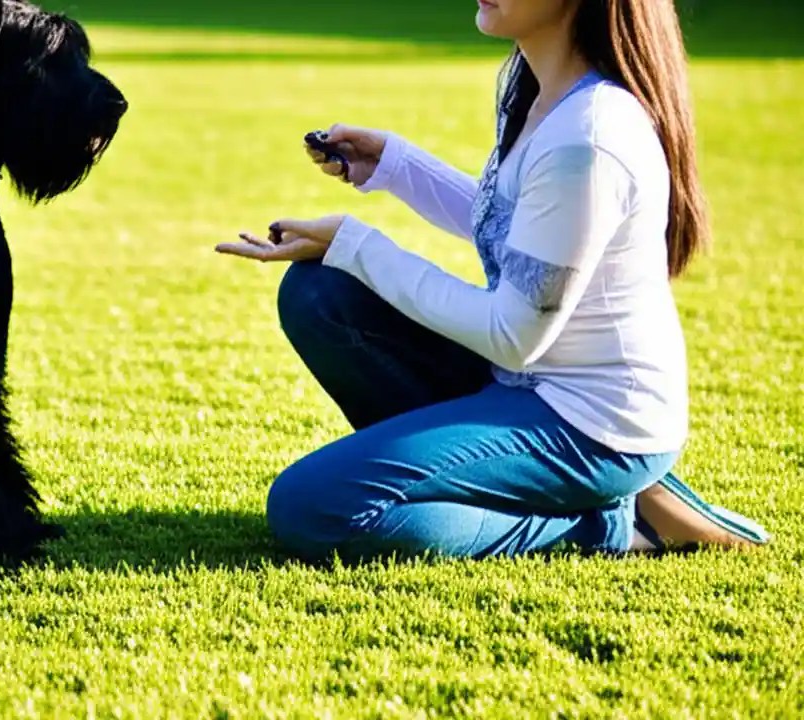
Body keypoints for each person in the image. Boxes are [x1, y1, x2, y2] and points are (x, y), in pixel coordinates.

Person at [216, 0, 770, 560]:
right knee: (320, 295)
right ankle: (597, 497)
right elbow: (513, 226)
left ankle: (606, 524)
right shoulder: (538, 95)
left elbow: (513, 334)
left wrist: (358, 246)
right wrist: (396, 166)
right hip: (524, 387)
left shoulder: (590, 137)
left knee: (314, 508)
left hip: (595, 425)